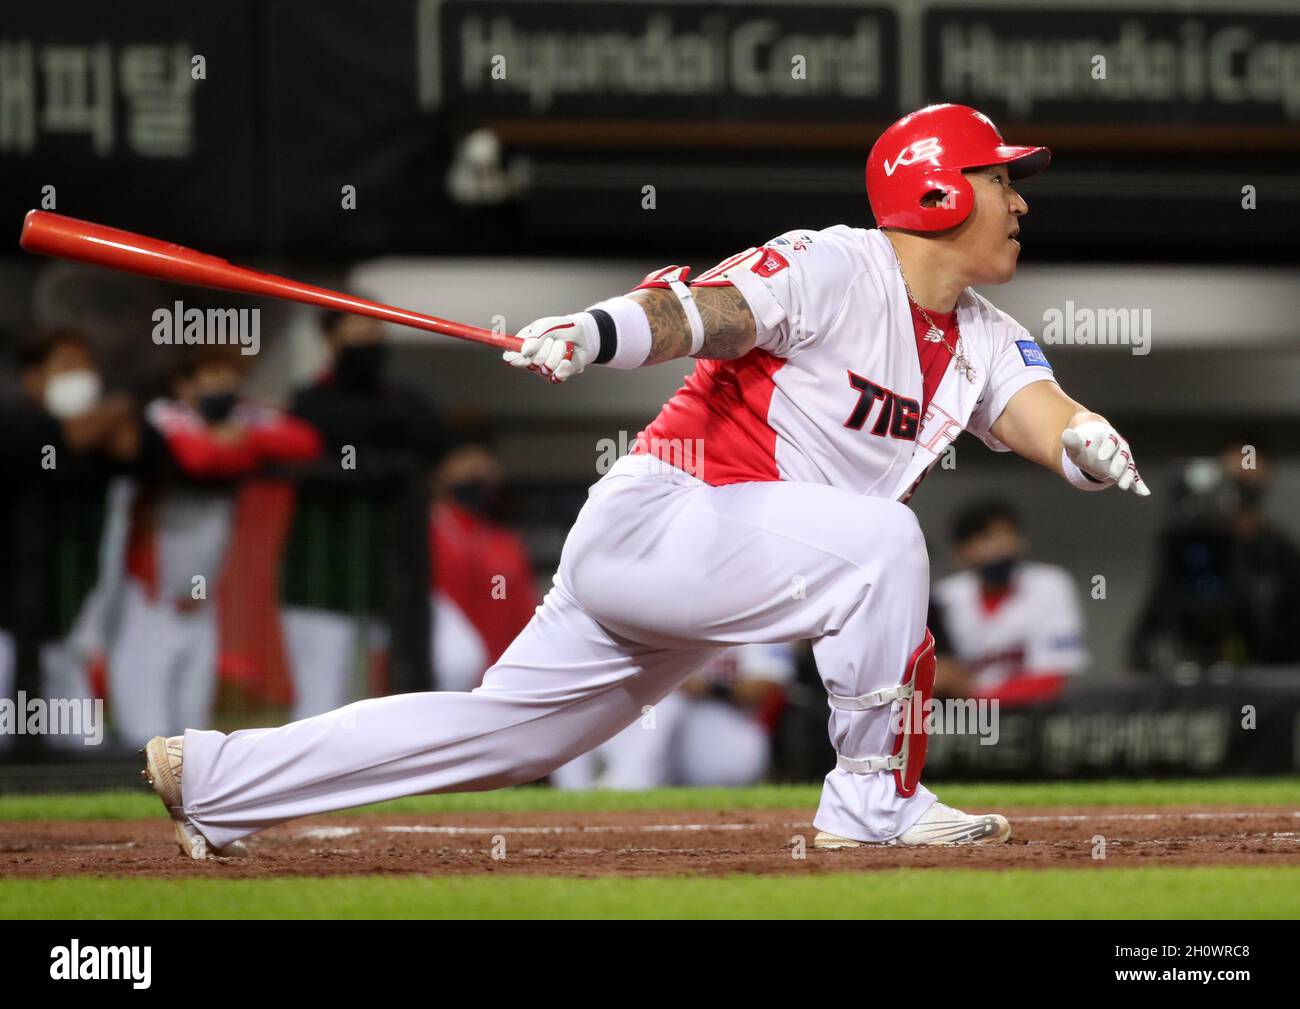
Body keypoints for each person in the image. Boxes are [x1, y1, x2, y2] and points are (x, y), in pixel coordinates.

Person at [143, 104, 1149, 860]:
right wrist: (592, 332)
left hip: (724, 567)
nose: (1017, 200)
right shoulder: (834, 266)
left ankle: (220, 778)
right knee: (883, 542)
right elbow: (699, 314)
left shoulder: (983, 335)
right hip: (665, 523)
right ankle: (869, 799)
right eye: (997, 179)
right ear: (935, 191)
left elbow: (1042, 415)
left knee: (511, 737)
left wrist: (1091, 444)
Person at [108, 348, 320, 748]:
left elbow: (305, 441)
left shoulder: (239, 418)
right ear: (184, 384)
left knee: (192, 726)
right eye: (211, 376)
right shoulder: (164, 415)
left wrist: (239, 436)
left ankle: (187, 805)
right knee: (146, 728)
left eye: (229, 377)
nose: (223, 386)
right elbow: (199, 458)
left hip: (202, 601)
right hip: (151, 598)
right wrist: (238, 445)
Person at [278, 311, 447, 719]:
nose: (368, 344)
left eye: (375, 334)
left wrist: (374, 463)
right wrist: (382, 465)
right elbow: (313, 458)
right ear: (331, 340)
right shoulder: (308, 401)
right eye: (356, 334)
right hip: (322, 575)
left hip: (395, 575)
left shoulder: (408, 401)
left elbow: (433, 444)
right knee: (322, 699)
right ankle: (311, 779)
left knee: (435, 673)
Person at [0, 328, 139, 752]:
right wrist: (118, 407)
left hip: (61, 624)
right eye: (65, 366)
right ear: (33, 378)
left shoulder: (99, 435)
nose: (80, 376)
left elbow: (129, 449)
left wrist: (115, 416)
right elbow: (65, 438)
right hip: (3, 626)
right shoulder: (16, 423)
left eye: (85, 366)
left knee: (81, 745)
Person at [1130, 436, 1300, 671]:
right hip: (1198, 688)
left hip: (1269, 685)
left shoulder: (1281, 555)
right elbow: (1154, 622)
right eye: (1231, 478)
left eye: (1248, 476)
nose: (1241, 483)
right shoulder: (1190, 550)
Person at [551, 643, 795, 789]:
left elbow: (766, 685)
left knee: (668, 695)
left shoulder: (759, 602)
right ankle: (579, 793)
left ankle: (629, 781)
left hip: (724, 733)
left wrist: (705, 685)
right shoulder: (666, 601)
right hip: (658, 729)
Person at [930, 500, 1086, 706]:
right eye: (986, 538)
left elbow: (1055, 676)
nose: (1001, 547)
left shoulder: (1050, 585)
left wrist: (977, 698)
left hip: (1035, 715)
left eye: (1009, 534)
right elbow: (937, 676)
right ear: (961, 552)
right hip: (967, 723)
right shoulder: (945, 596)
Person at [428, 440, 538, 692]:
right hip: (445, 670)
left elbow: (525, 609)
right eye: (468, 478)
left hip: (500, 669)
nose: (476, 489)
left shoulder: (505, 544)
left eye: (483, 481)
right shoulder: (432, 532)